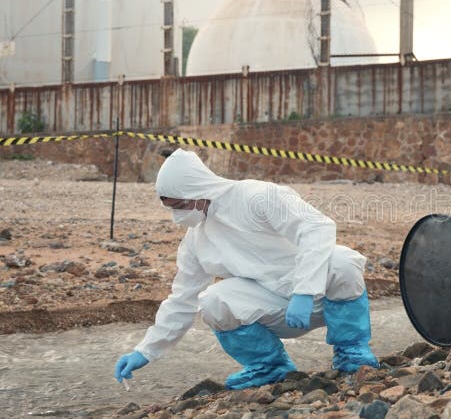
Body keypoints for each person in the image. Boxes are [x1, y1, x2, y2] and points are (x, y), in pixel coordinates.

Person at [114, 149, 378, 389]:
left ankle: (351, 351)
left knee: (343, 261)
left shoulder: (257, 197)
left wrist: (305, 290)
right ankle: (269, 367)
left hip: (320, 296)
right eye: (170, 208)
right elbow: (183, 301)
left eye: (180, 206)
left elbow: (317, 227)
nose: (177, 216)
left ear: (197, 190)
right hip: (273, 311)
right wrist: (146, 351)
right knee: (213, 302)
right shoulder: (196, 240)